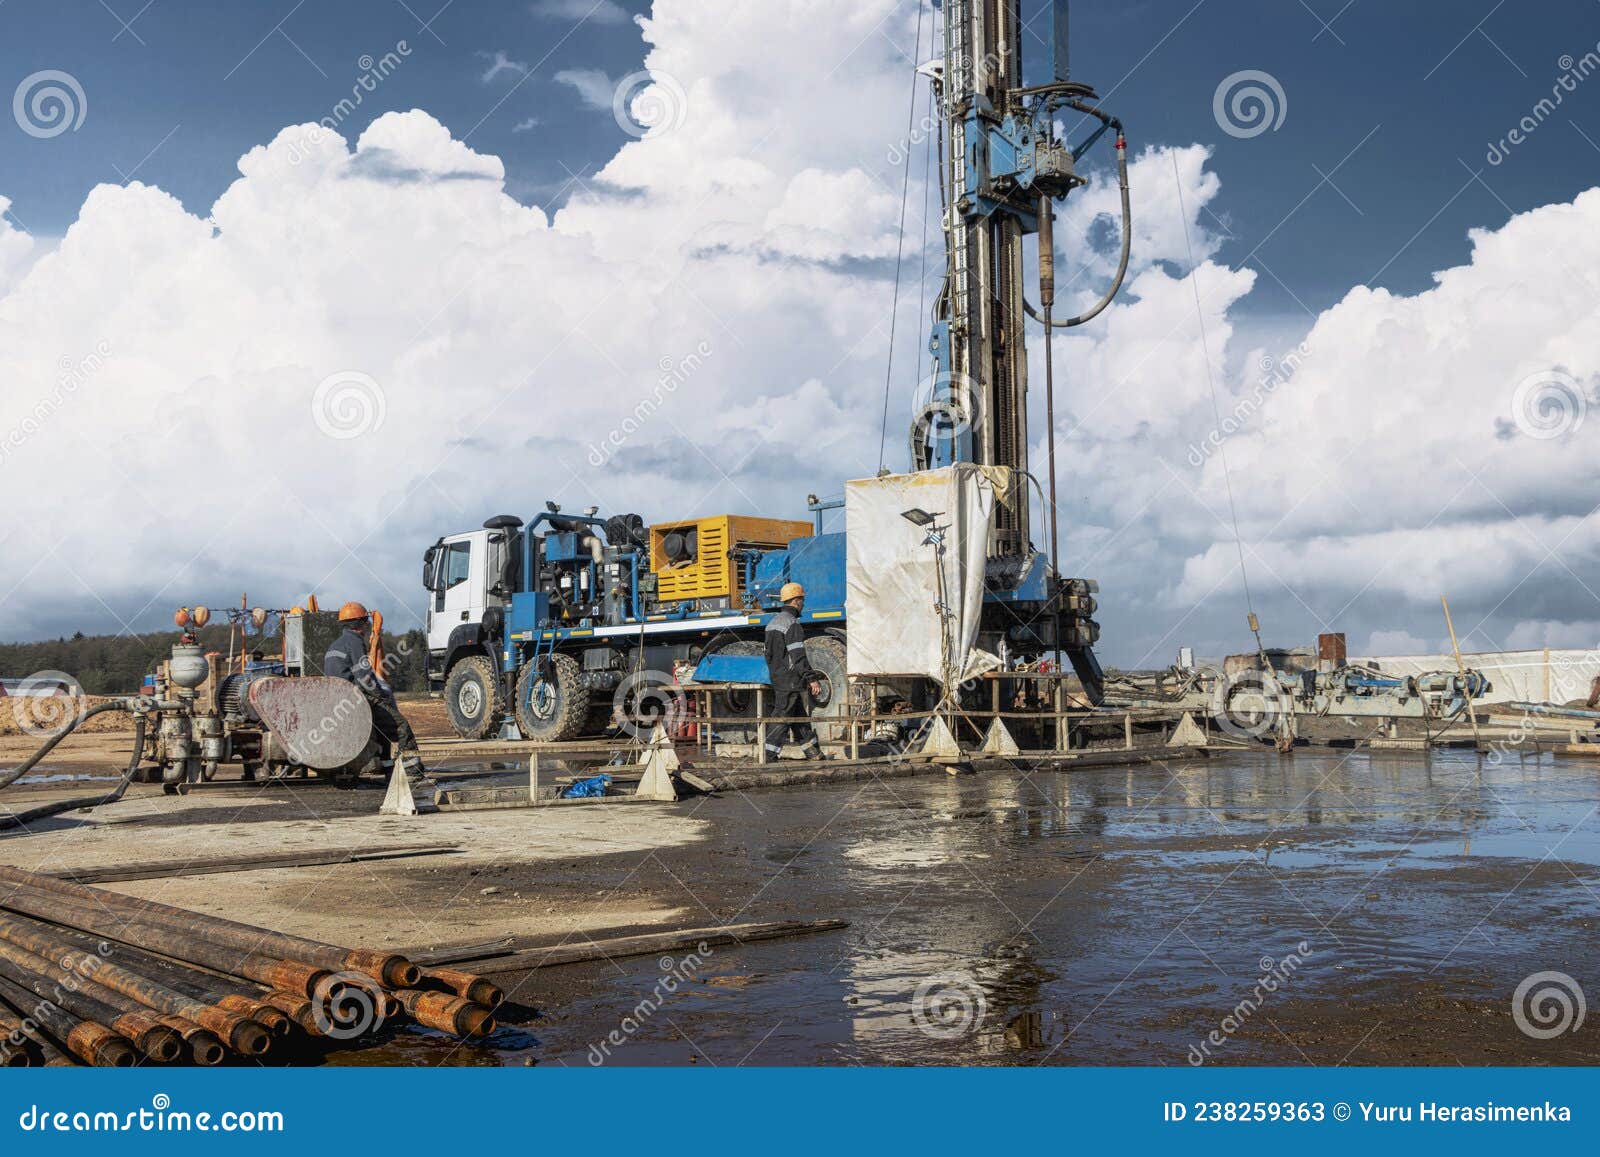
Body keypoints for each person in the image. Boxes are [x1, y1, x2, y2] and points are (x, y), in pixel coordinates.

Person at [325, 602, 436, 801]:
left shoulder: (334, 645)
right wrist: (379, 695)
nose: (367, 625)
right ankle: (413, 774)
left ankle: (389, 771)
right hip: (357, 699)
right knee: (401, 727)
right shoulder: (355, 642)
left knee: (383, 733)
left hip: (340, 700)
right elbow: (364, 675)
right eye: (366, 621)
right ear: (360, 624)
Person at [762, 582, 825, 761]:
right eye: (802, 600)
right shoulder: (792, 624)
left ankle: (813, 752)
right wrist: (811, 678)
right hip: (790, 679)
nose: (803, 603)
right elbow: (798, 656)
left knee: (798, 717)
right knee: (782, 716)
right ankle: (768, 755)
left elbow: (769, 655)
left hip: (779, 677)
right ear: (796, 601)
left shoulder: (772, 624)